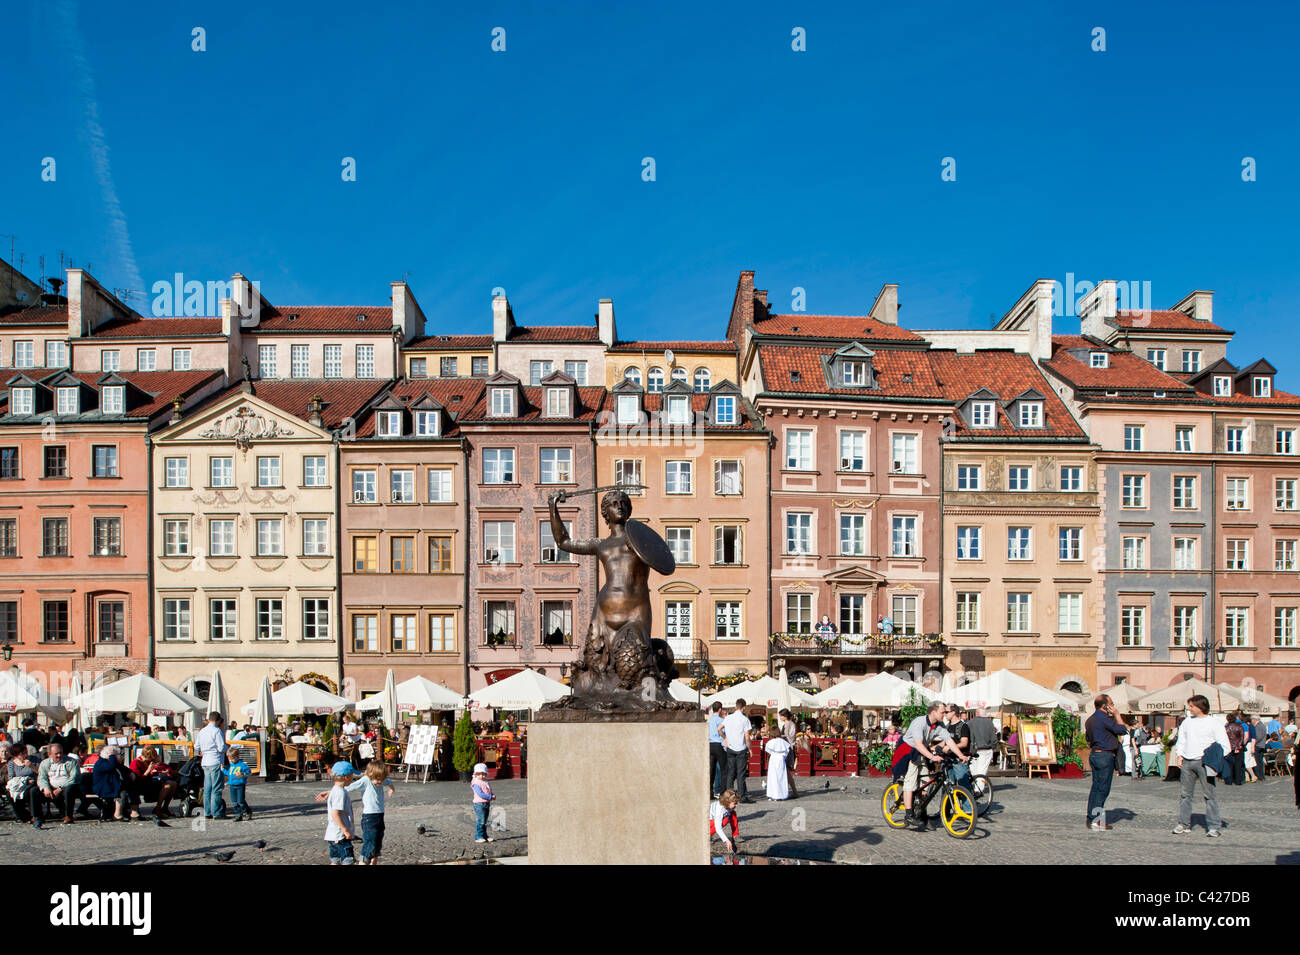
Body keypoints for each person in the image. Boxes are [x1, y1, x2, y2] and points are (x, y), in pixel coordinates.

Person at [901, 702, 967, 831]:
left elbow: (949, 741)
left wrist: (960, 755)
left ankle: (922, 815)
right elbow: (918, 744)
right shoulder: (919, 722)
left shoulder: (940, 725)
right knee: (911, 780)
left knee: (925, 784)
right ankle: (909, 814)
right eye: (942, 712)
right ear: (933, 712)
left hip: (922, 750)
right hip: (908, 750)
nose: (945, 714)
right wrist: (932, 757)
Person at [1172, 694, 1230, 837]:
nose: (1189, 708)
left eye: (1191, 706)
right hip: (1187, 761)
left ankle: (1213, 826)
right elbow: (1182, 740)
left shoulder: (1214, 723)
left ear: (1200, 707)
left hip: (1205, 762)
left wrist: (1214, 759)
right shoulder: (1186, 722)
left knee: (1209, 795)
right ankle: (1183, 823)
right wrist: (1179, 755)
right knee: (1185, 795)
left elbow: (1224, 745)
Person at [1084, 694, 1128, 830]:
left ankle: (1091, 819)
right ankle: (1096, 821)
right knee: (1103, 789)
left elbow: (1087, 738)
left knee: (1096, 788)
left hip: (1095, 754)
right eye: (1112, 703)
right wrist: (1117, 714)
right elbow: (1122, 730)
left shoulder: (1090, 719)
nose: (1113, 706)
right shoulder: (1104, 718)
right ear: (1105, 705)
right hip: (1105, 755)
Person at [350, 762, 395, 864]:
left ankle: (373, 862)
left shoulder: (382, 779)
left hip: (380, 815)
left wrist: (392, 789)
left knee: (377, 844)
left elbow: (389, 782)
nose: (379, 782)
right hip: (369, 817)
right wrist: (331, 792)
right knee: (369, 844)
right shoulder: (366, 780)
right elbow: (350, 787)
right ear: (370, 775)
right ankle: (363, 863)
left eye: (381, 779)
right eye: (377, 779)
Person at [319, 760, 359, 865]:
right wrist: (345, 829)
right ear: (346, 777)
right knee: (348, 859)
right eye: (352, 776)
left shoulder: (336, 790)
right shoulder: (340, 793)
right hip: (340, 835)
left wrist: (329, 793)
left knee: (335, 860)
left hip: (333, 835)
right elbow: (335, 813)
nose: (352, 778)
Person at [38, 742, 84, 824]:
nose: (59, 755)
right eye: (56, 754)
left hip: (68, 786)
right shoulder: (45, 763)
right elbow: (42, 777)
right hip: (51, 786)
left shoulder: (71, 762)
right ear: (49, 754)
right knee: (34, 791)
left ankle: (68, 816)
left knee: (69, 790)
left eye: (61, 753)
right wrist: (45, 787)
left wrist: (60, 788)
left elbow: (74, 778)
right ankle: (37, 817)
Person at [129, 746, 179, 819]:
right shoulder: (136, 763)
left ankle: (164, 808)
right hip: (141, 784)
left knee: (173, 784)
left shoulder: (150, 762)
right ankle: (158, 809)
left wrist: (161, 770)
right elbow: (138, 779)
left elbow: (162, 768)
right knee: (167, 786)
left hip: (152, 781)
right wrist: (149, 770)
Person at [195, 712, 228, 819]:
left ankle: (207, 812)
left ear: (209, 719)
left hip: (205, 761)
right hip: (215, 760)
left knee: (207, 788)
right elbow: (221, 748)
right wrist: (227, 748)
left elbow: (196, 746)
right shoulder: (217, 731)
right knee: (217, 788)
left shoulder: (202, 731)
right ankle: (216, 812)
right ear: (218, 720)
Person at [91, 744, 136, 820]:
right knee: (122, 791)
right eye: (115, 755)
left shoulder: (113, 762)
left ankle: (134, 812)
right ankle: (118, 814)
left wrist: (131, 773)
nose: (117, 757)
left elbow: (124, 768)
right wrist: (111, 755)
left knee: (133, 788)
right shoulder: (101, 763)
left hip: (113, 785)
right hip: (104, 787)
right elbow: (112, 766)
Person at [720, 700, 753, 803]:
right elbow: (747, 737)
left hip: (730, 748)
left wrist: (725, 738)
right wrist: (750, 748)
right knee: (741, 773)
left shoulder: (728, 718)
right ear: (744, 707)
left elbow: (719, 729)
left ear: (735, 707)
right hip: (741, 748)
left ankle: (729, 795)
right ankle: (742, 796)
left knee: (731, 772)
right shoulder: (744, 719)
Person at [7, 747, 42, 827]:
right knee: (10, 795)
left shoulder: (34, 760)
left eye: (26, 752)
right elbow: (11, 778)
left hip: (33, 783)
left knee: (30, 792)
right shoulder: (12, 764)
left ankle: (35, 816)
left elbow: (40, 773)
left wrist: (32, 766)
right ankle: (23, 816)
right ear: (16, 756)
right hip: (19, 785)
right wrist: (24, 781)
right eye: (22, 754)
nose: (25, 755)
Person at [966, 707, 998, 780]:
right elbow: (994, 739)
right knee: (982, 771)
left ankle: (975, 787)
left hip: (972, 750)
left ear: (977, 713)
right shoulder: (989, 723)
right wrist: (993, 747)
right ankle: (978, 789)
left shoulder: (970, 723)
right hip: (986, 750)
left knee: (974, 770)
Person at [223, 749, 253, 821]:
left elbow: (249, 772)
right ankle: (238, 814)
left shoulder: (242, 765)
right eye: (230, 759)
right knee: (234, 802)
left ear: (237, 756)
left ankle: (247, 812)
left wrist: (242, 774)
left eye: (232, 759)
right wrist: (223, 770)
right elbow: (229, 774)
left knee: (240, 801)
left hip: (240, 785)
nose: (231, 760)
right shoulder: (231, 765)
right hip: (232, 785)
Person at [764, 726, 791, 801]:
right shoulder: (783, 742)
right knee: (781, 777)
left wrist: (774, 753)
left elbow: (768, 750)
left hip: (773, 758)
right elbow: (787, 751)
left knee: (773, 777)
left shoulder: (770, 742)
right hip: (781, 759)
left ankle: (773, 794)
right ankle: (782, 794)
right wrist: (782, 756)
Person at [709, 789, 741, 854]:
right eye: (735, 803)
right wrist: (726, 840)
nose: (737, 805)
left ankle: (735, 835)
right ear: (728, 802)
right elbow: (718, 828)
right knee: (725, 821)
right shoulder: (720, 809)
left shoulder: (727, 806)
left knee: (733, 813)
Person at [471, 762, 494, 844]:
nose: (482, 776)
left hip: (486, 803)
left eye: (483, 774)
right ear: (476, 774)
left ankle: (485, 835)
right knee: (480, 820)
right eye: (479, 774)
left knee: (485, 820)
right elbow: (480, 794)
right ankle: (478, 836)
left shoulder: (485, 782)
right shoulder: (476, 783)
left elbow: (489, 790)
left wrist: (492, 794)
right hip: (479, 804)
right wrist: (490, 797)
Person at [778, 708, 799, 797]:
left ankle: (793, 791)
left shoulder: (791, 724)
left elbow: (791, 737)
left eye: (781, 716)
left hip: (788, 748)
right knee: (784, 771)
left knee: (786, 770)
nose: (780, 718)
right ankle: (788, 790)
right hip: (784, 748)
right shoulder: (785, 724)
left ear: (785, 716)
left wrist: (782, 736)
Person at [707, 702, 726, 798]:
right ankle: (722, 792)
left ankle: (710, 792)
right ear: (720, 709)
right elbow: (724, 733)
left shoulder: (708, 721)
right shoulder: (721, 720)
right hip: (719, 745)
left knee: (711, 770)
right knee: (724, 769)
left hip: (710, 745)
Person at [1224, 713, 1246, 786]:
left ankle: (1229, 780)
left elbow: (1224, 739)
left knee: (1229, 765)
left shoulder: (1225, 728)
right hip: (1238, 748)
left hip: (1228, 748)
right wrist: (1238, 747)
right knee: (1238, 765)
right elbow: (1241, 738)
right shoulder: (1239, 727)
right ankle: (1238, 780)